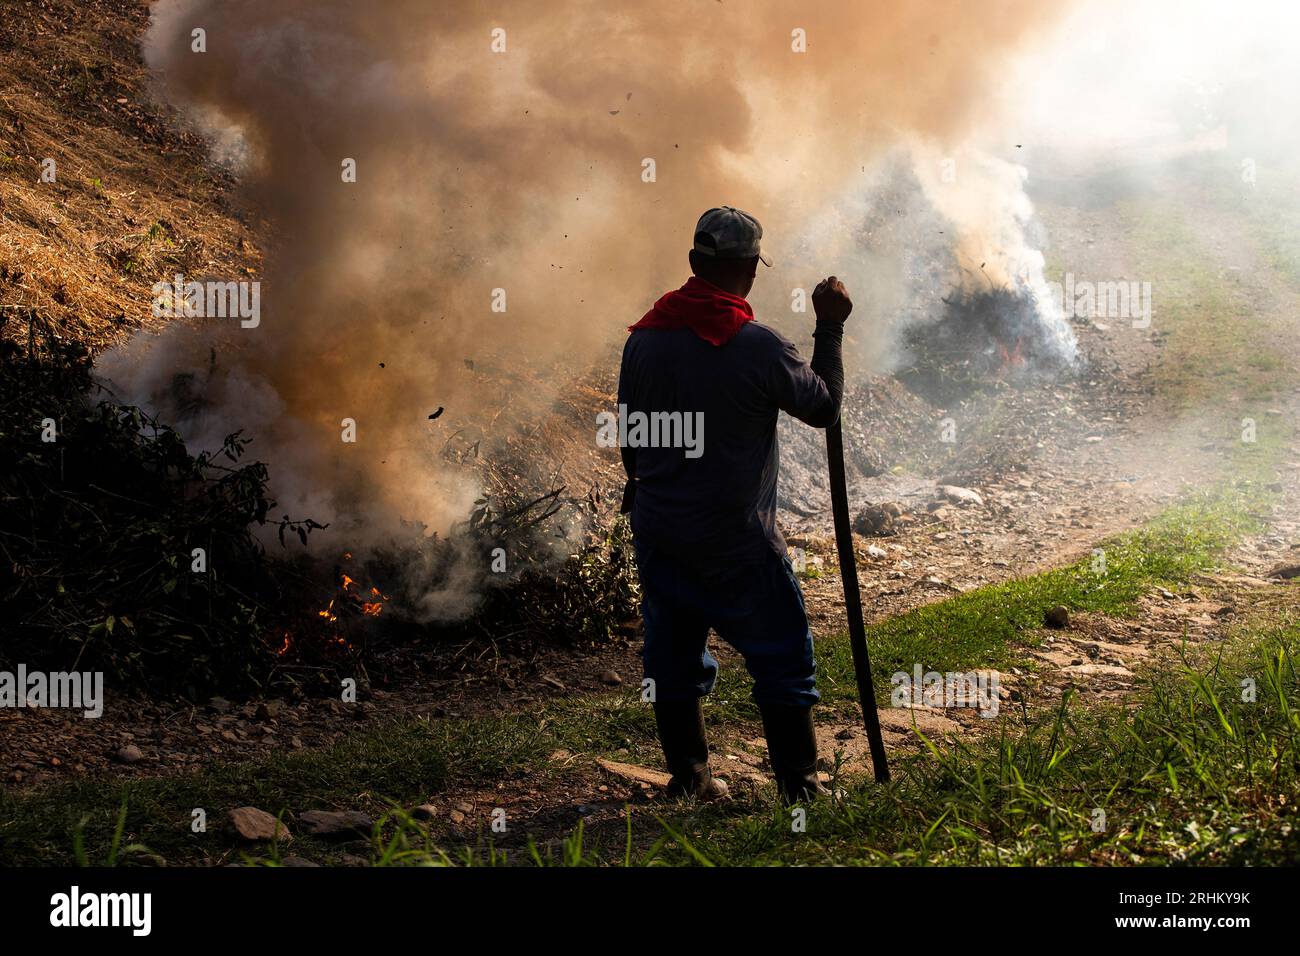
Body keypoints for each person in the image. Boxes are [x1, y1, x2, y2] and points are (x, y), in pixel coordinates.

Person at [617, 205, 851, 803]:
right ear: (749, 269)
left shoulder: (642, 341)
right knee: (782, 655)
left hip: (661, 528)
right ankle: (799, 790)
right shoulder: (756, 346)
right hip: (735, 538)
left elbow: (631, 442)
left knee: (672, 656)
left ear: (696, 263)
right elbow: (823, 410)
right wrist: (830, 327)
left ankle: (690, 780)